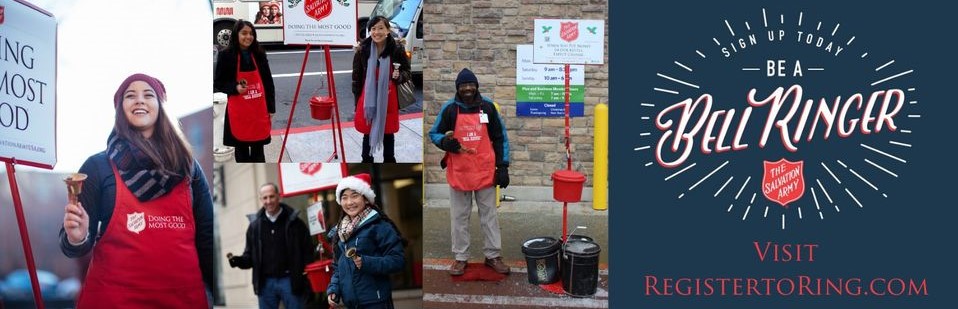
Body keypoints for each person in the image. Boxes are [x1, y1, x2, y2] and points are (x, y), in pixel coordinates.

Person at [60, 73, 217, 307]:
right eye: (130, 95)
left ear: (160, 107)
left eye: (148, 95)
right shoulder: (97, 167)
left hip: (183, 299)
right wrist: (77, 238)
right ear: (120, 109)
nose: (140, 100)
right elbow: (73, 246)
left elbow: (207, 238)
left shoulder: (187, 166)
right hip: (115, 300)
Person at [428, 68, 511, 276]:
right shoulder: (449, 109)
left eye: (470, 85)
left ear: (476, 86)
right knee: (459, 217)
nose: (467, 88)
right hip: (459, 172)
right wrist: (445, 142)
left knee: (489, 216)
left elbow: (500, 137)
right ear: (458, 88)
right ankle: (460, 257)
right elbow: (434, 133)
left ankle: (493, 255)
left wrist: (502, 166)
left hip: (484, 171)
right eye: (463, 85)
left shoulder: (488, 107)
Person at [227, 183, 313, 309]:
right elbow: (249, 257)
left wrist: (305, 276)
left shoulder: (295, 222)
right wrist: (238, 261)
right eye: (265, 198)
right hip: (265, 283)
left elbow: (308, 251)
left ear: (279, 196)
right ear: (261, 199)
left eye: (272, 196)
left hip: (291, 280)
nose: (268, 201)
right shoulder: (255, 226)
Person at [326, 174, 406, 308]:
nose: (349, 202)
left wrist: (366, 262)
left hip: (376, 303)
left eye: (354, 196)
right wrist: (334, 289)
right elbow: (338, 268)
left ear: (366, 199)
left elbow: (398, 261)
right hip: (351, 304)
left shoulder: (380, 226)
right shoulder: (340, 231)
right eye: (344, 197)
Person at [352, 16, 412, 163]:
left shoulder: (397, 49)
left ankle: (389, 161)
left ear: (387, 30)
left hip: (389, 98)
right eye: (373, 28)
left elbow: (407, 72)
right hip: (368, 98)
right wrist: (356, 101)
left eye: (380, 28)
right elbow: (356, 78)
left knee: (388, 132)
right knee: (367, 132)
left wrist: (399, 77)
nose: (376, 32)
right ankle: (367, 160)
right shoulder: (362, 50)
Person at [215, 19, 276, 162]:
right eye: (244, 33)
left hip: (258, 111)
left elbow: (268, 82)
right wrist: (235, 88)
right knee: (241, 153)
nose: (248, 37)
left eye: (251, 33)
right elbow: (219, 83)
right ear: (236, 34)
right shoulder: (226, 55)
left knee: (258, 152)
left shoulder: (259, 53)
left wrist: (271, 108)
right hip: (238, 112)